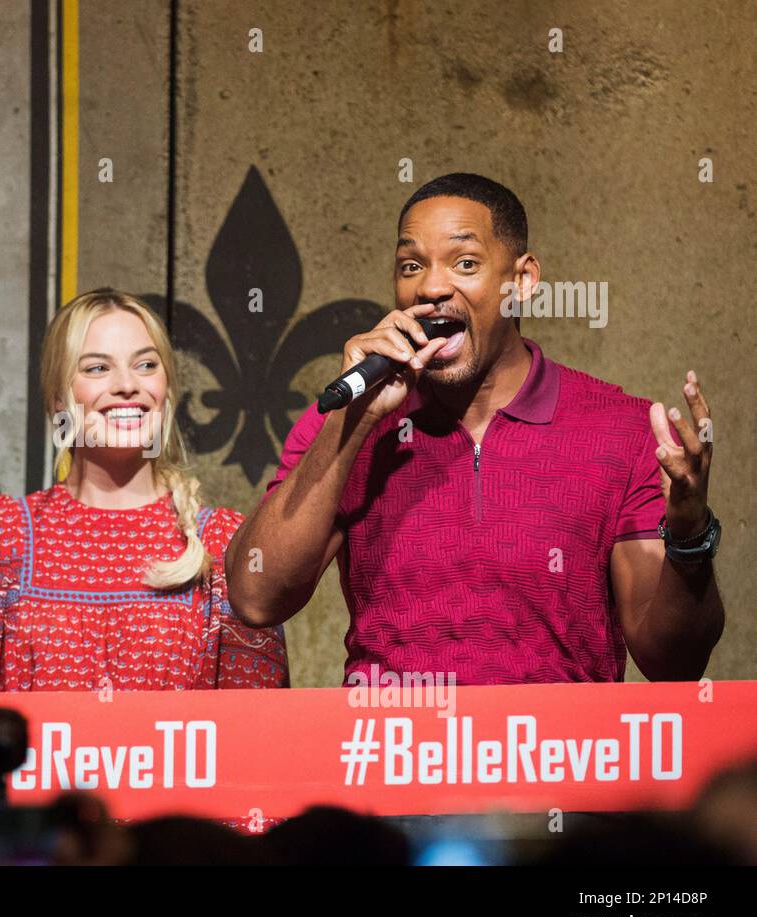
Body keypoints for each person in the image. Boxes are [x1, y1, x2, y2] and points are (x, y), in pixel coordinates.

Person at [227, 173, 724, 684]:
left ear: (522, 280)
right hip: (393, 754)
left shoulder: (620, 428)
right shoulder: (348, 420)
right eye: (411, 266)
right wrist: (354, 424)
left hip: (556, 758)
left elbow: (674, 663)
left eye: (465, 263)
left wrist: (689, 534)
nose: (432, 287)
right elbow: (257, 598)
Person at [0, 288, 288, 691]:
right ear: (58, 402)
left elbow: (254, 734)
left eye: (146, 365)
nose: (128, 385)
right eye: (97, 368)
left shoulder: (225, 544)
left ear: (167, 392)